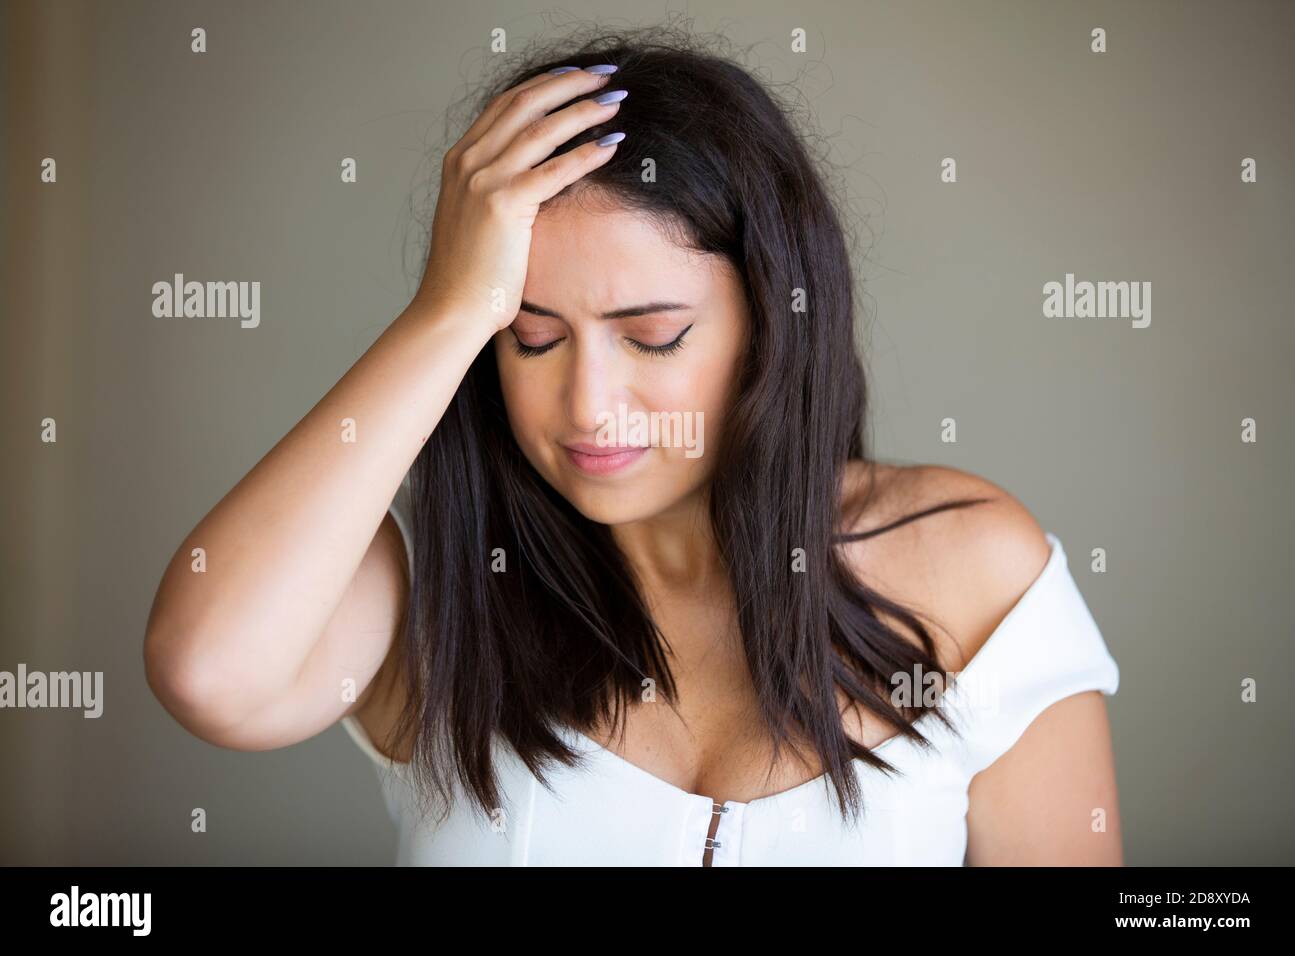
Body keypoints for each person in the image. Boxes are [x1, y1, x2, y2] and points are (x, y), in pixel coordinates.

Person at [143, 29, 1122, 866]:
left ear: (770, 323)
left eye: (652, 336)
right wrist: (447, 311)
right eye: (530, 335)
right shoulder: (431, 599)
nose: (589, 403)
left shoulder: (966, 568)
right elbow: (208, 670)